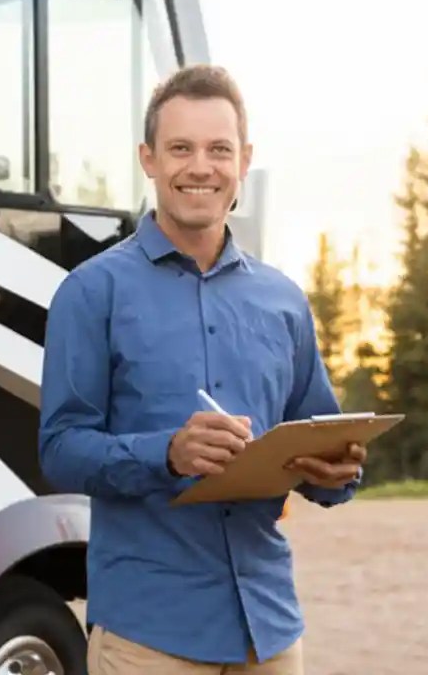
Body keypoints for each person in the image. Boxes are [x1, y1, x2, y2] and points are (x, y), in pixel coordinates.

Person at [38, 63, 367, 675]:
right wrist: (168, 453)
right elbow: (60, 449)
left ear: (244, 161)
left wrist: (336, 471)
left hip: (269, 631)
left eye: (219, 149)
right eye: (180, 148)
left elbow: (318, 437)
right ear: (148, 159)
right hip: (148, 634)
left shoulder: (283, 301)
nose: (200, 167)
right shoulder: (91, 292)